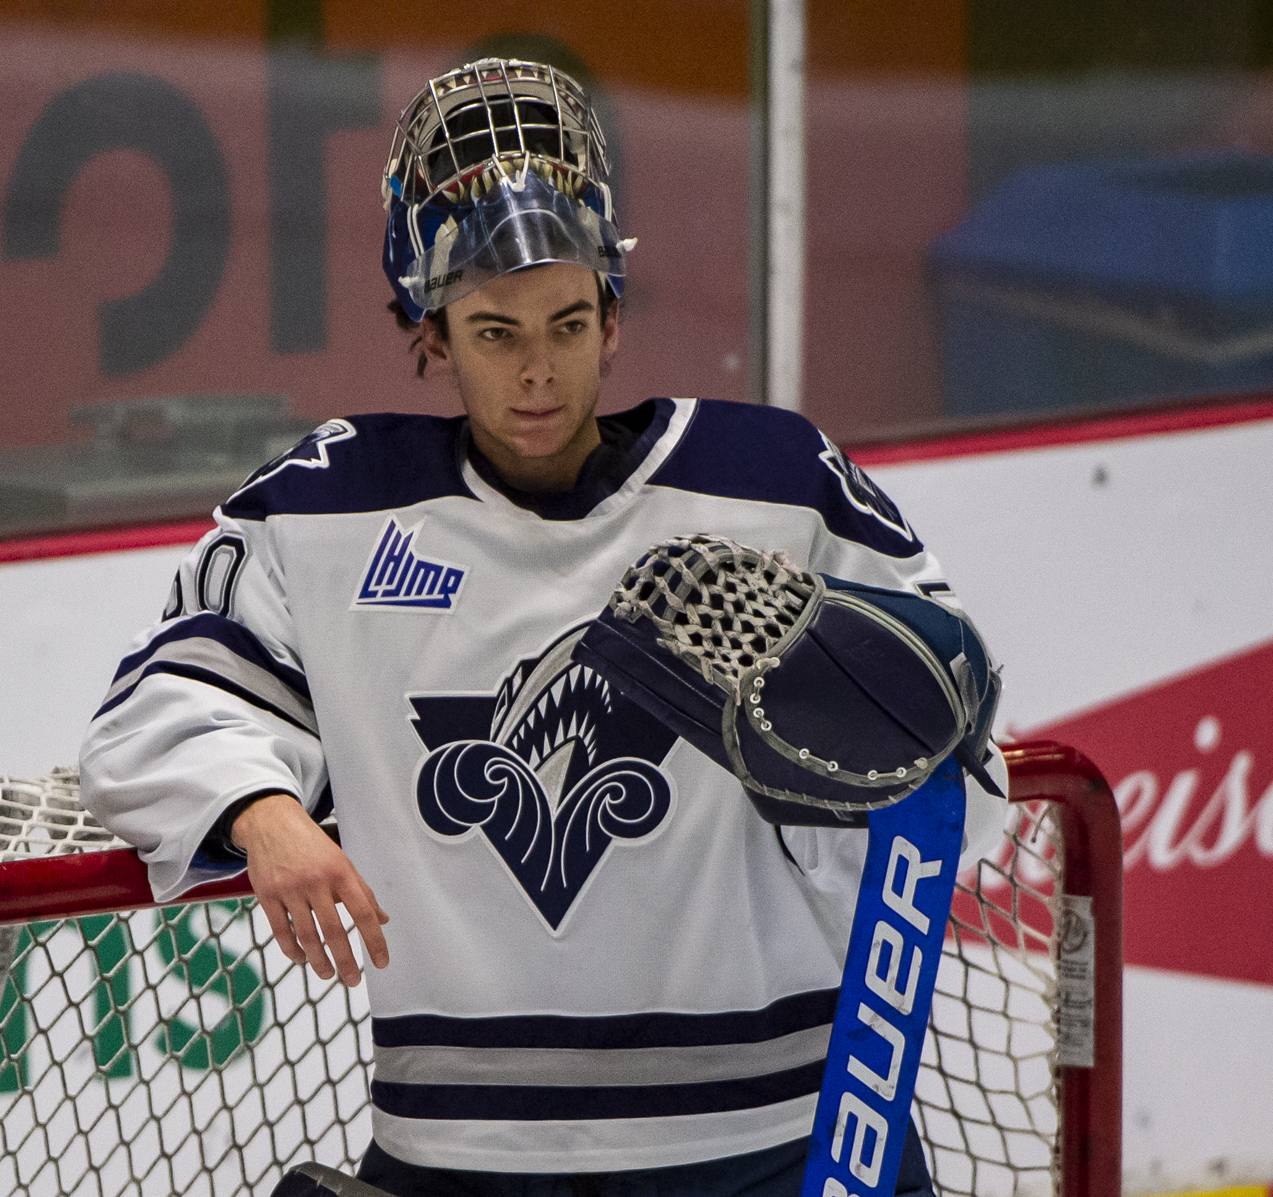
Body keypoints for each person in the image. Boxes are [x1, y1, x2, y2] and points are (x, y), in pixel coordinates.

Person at [79, 58, 1006, 1197]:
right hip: (466, 1158)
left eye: (569, 324)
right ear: (430, 332)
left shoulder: (777, 485)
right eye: (494, 331)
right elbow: (148, 720)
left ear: (614, 316)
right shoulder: (324, 511)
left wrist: (860, 776)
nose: (537, 371)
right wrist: (260, 810)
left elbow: (964, 769)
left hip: (780, 1138)